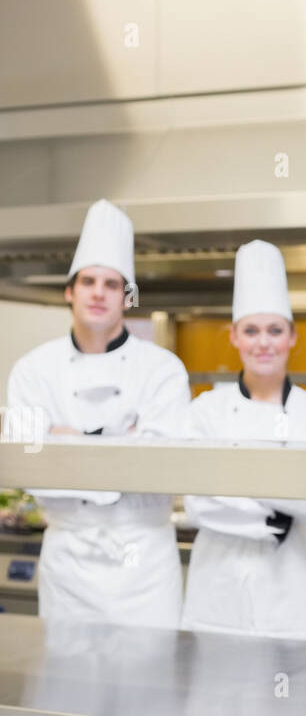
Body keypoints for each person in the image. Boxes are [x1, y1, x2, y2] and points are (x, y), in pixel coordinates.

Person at [5, 199, 190, 627]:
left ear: (127, 297)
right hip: (68, 560)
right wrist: (121, 439)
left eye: (112, 283)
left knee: (149, 687)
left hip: (143, 561)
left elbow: (160, 467)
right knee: (63, 690)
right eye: (88, 281)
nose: (98, 292)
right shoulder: (30, 370)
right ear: (70, 291)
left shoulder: (164, 370)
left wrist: (65, 438)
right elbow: (25, 467)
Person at [180, 240, 306, 640]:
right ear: (234, 336)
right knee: (209, 698)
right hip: (215, 587)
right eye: (251, 330)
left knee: (288, 695)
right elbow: (198, 503)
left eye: (274, 330)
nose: (263, 342)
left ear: (292, 337)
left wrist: (233, 484)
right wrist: (277, 506)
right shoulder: (204, 410)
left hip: (288, 586)